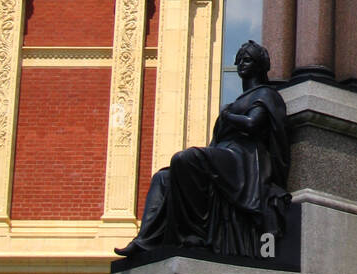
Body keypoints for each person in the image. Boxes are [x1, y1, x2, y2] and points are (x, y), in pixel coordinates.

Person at [115, 40, 290, 259]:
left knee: (186, 158)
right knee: (163, 177)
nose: (241, 64)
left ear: (260, 65)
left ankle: (195, 234)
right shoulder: (239, 100)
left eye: (248, 60)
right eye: (239, 60)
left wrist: (227, 115)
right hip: (224, 154)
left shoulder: (266, 95)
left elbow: (252, 124)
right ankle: (146, 240)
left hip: (244, 159)